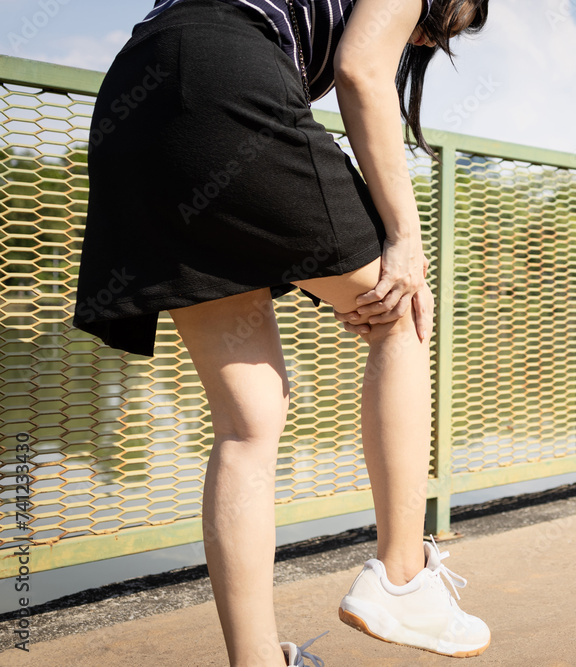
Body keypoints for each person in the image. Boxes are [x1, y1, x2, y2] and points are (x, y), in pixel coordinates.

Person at [70, 0, 490, 664]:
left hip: (136, 99)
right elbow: (359, 71)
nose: (422, 36)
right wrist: (405, 242)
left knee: (248, 418)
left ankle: (259, 661)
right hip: (224, 77)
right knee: (404, 310)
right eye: (439, 22)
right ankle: (403, 574)